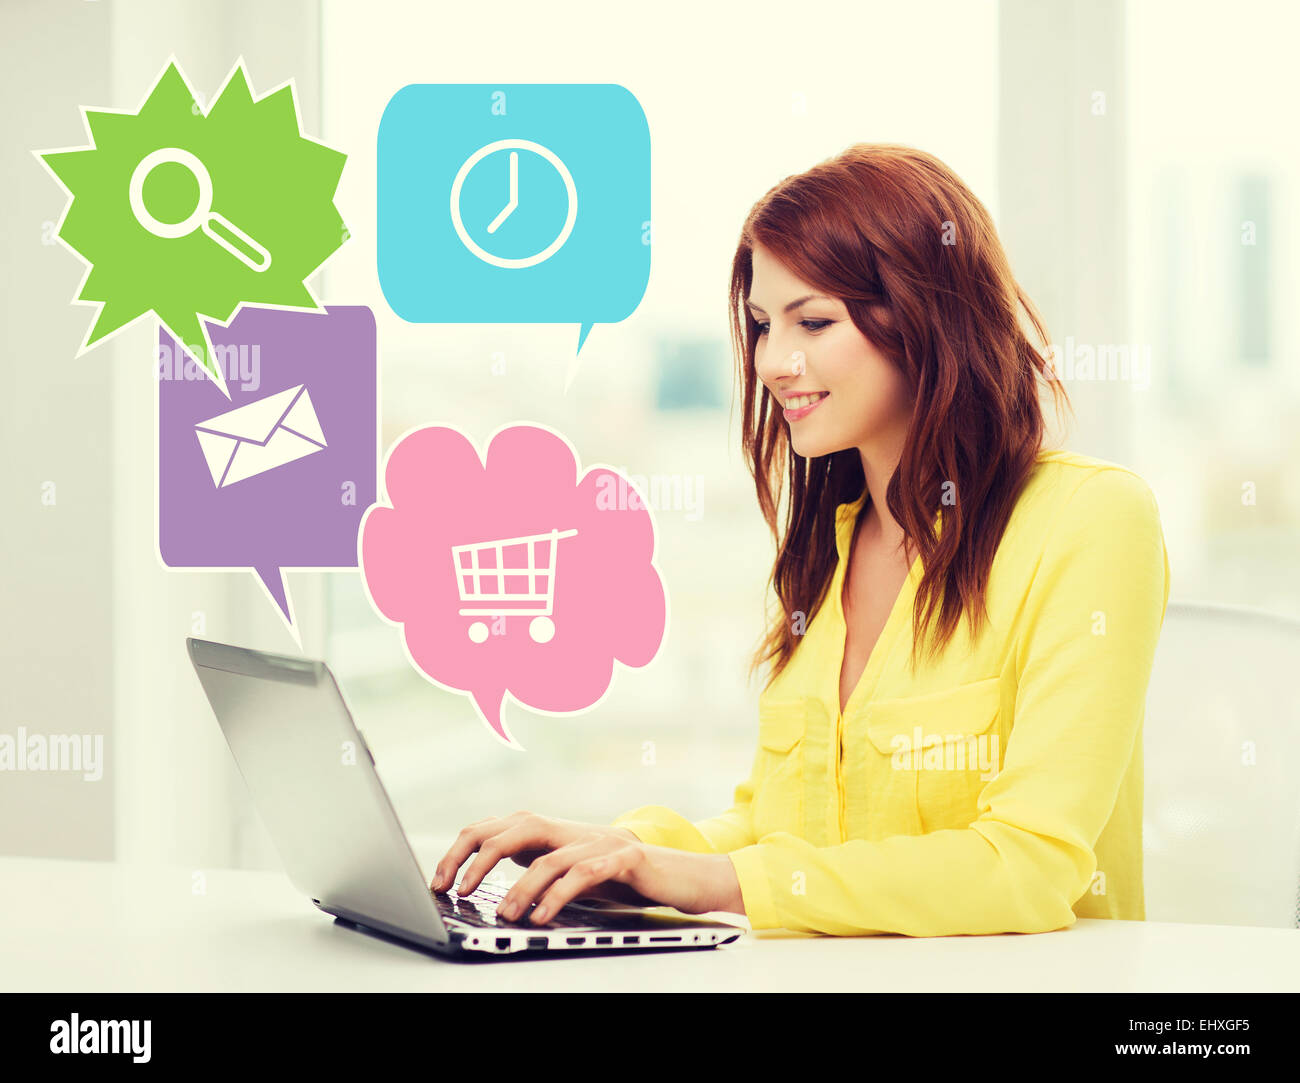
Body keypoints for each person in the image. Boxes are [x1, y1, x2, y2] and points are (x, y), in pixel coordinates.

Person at [431, 143, 1171, 936]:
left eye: (814, 320)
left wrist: (708, 878)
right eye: (760, 324)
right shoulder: (831, 550)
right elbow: (779, 835)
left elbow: (1027, 866)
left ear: (928, 315)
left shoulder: (1092, 521)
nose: (775, 362)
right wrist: (622, 851)